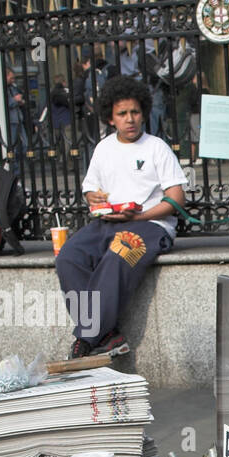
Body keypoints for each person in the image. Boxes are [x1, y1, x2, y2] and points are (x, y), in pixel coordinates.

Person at [54, 75, 186, 359]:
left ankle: (85, 340)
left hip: (150, 225)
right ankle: (108, 334)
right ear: (110, 118)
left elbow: (176, 198)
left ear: (144, 113)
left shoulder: (156, 147)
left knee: (118, 255)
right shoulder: (103, 148)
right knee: (68, 257)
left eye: (135, 112)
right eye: (122, 114)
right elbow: (91, 189)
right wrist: (94, 198)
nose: (130, 119)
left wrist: (141, 216)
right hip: (108, 221)